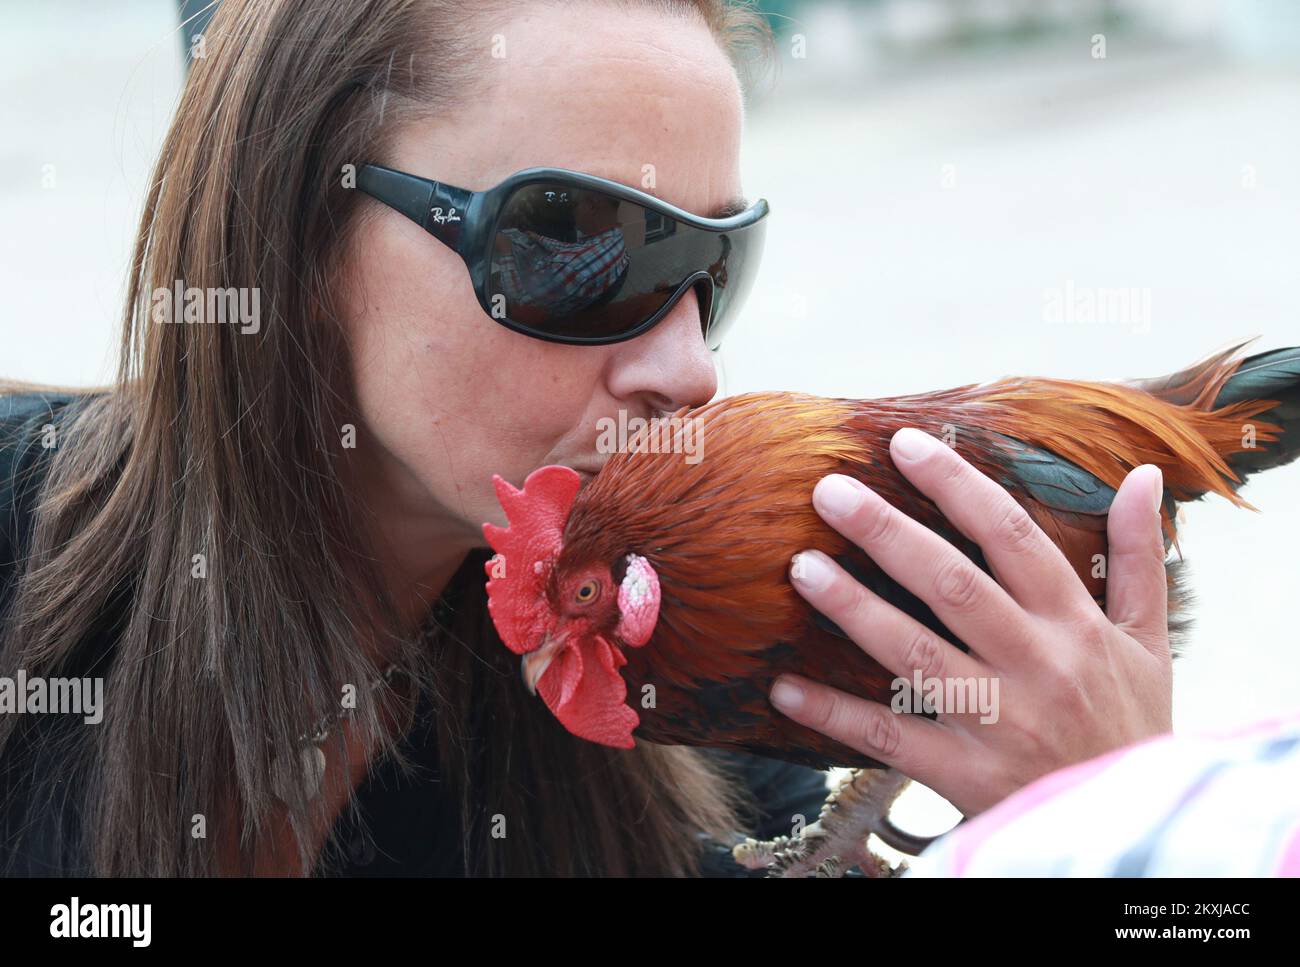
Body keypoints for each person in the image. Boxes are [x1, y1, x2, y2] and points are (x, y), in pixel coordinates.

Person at [0, 0, 1170, 878]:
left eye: (713, 267)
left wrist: (1130, 829)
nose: (691, 367)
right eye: (578, 247)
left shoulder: (696, 719)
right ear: (294, 240)